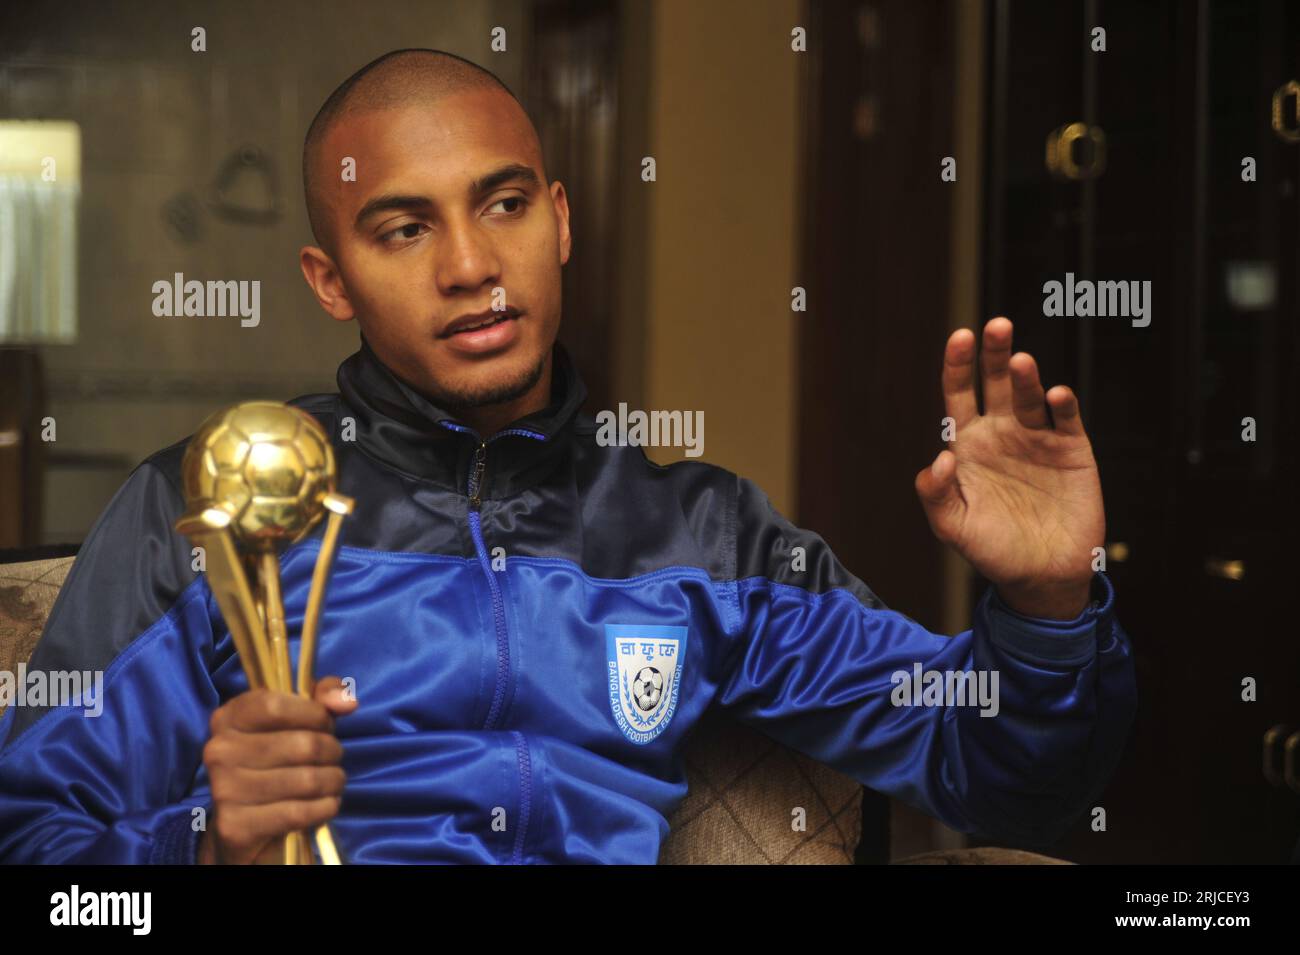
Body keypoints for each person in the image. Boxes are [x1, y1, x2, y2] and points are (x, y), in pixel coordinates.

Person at [0, 49, 1136, 864]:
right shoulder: (206, 510)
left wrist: (1045, 606)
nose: (470, 266)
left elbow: (998, 776)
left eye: (502, 205)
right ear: (330, 280)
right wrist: (202, 845)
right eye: (404, 228)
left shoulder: (706, 534)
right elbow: (40, 854)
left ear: (561, 220)